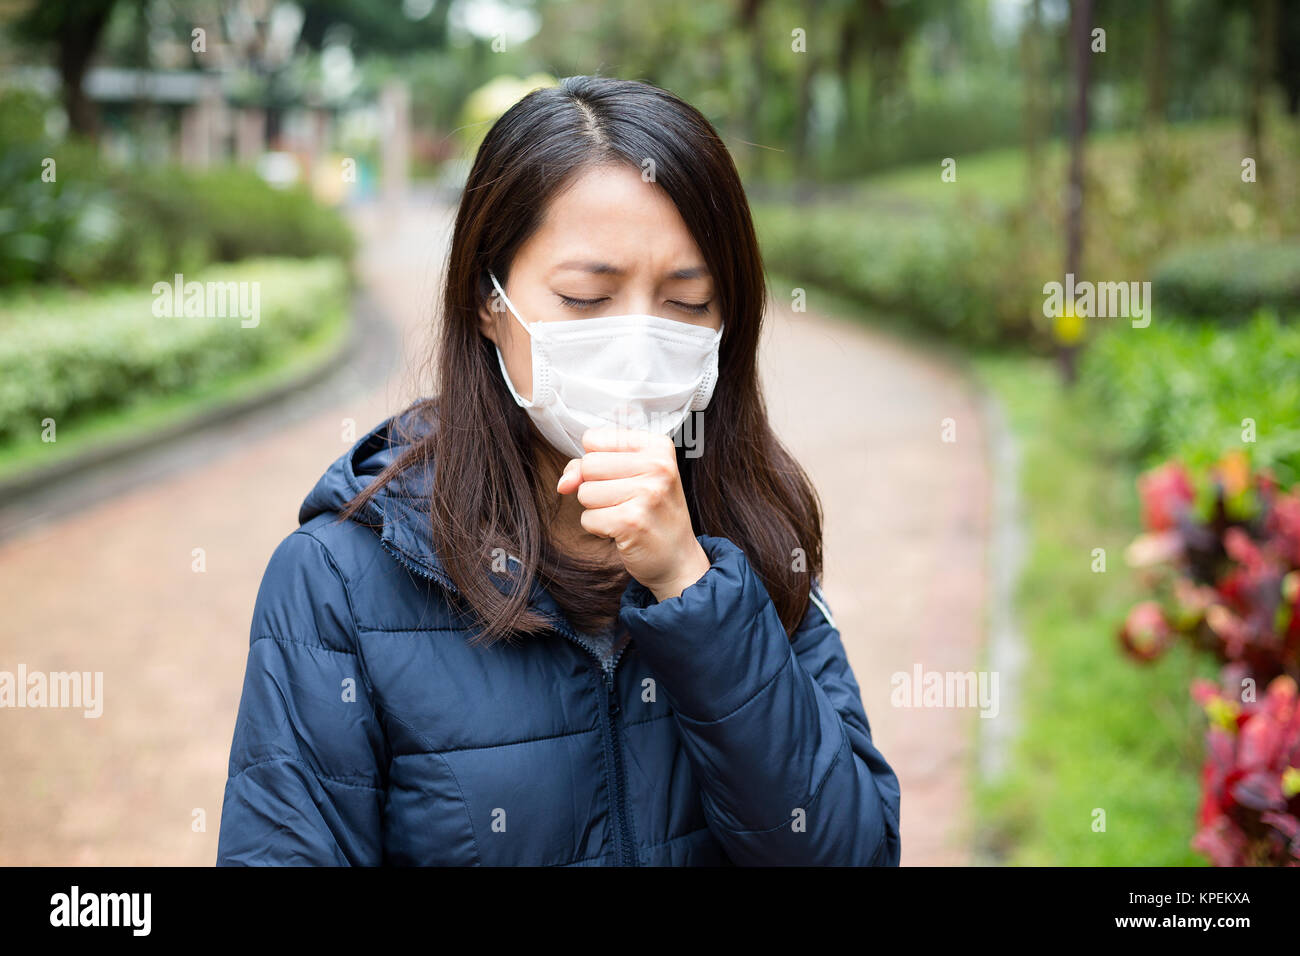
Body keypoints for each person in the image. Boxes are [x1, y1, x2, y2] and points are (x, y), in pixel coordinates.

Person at [215, 75, 901, 866]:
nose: (639, 345)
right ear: (488, 298)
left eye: (686, 302)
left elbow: (850, 853)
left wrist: (695, 590)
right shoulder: (336, 584)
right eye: (586, 297)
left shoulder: (752, 537)